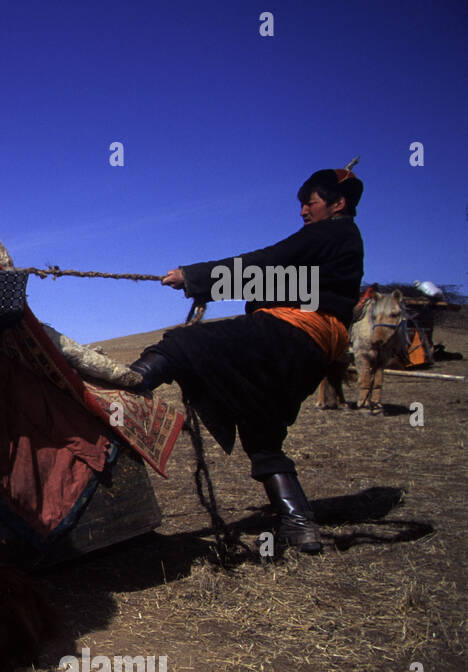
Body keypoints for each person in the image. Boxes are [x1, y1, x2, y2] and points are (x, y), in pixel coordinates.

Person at [128, 165, 365, 553]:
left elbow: (268, 261)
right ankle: (300, 525)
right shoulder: (343, 247)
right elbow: (284, 283)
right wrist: (204, 287)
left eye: (311, 203)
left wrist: (192, 276)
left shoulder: (331, 232)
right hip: (312, 348)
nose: (304, 212)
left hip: (294, 333)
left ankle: (120, 390)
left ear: (338, 203)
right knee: (263, 430)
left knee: (181, 345)